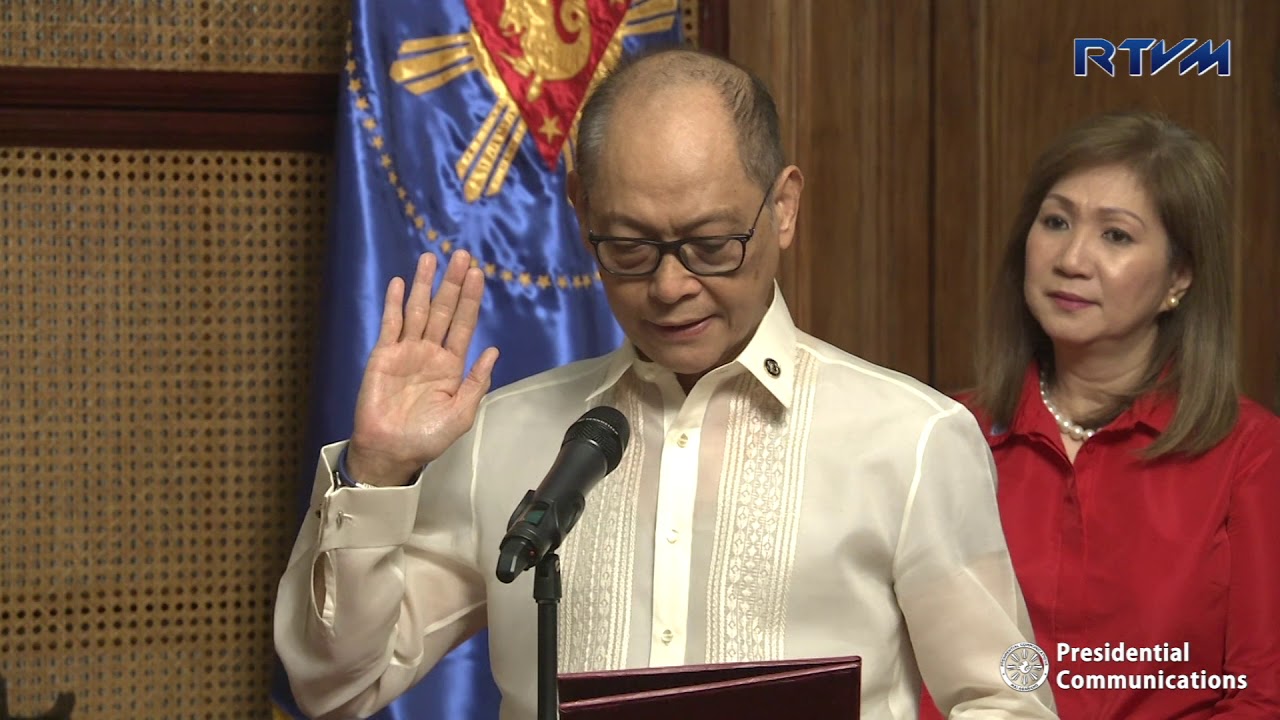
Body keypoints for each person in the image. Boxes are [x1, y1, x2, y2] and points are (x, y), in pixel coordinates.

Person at [274, 48, 1056, 720]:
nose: (671, 285)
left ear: (782, 208)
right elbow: (336, 688)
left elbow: (1013, 688)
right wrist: (376, 473)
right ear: (581, 210)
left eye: (712, 244)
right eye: (628, 247)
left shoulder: (913, 440)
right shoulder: (501, 439)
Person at [921, 111, 1280, 719]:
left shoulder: (1251, 453)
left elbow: (1262, 695)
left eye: (1116, 235)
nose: (1072, 259)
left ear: (1180, 277)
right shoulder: (946, 433)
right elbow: (914, 668)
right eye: (1056, 222)